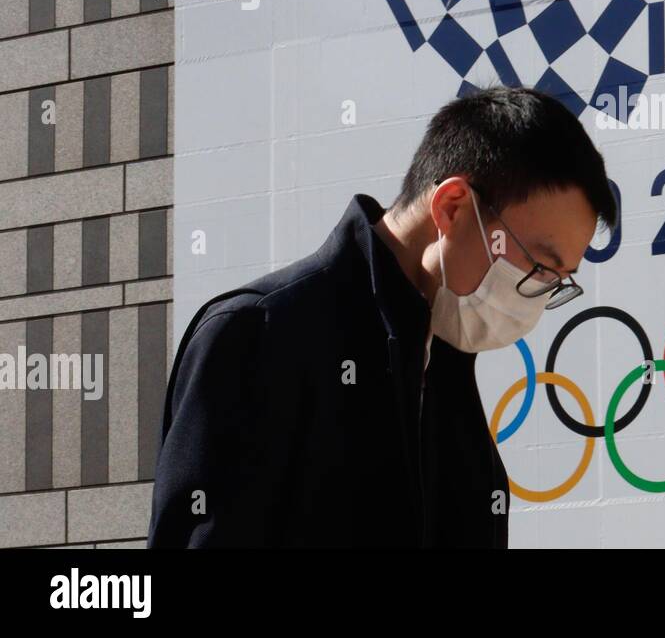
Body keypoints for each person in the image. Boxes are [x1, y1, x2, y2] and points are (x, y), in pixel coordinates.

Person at [147, 85, 618, 547]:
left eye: (557, 280)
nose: (534, 293)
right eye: (537, 266)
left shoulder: (445, 358)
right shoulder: (259, 332)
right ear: (452, 207)